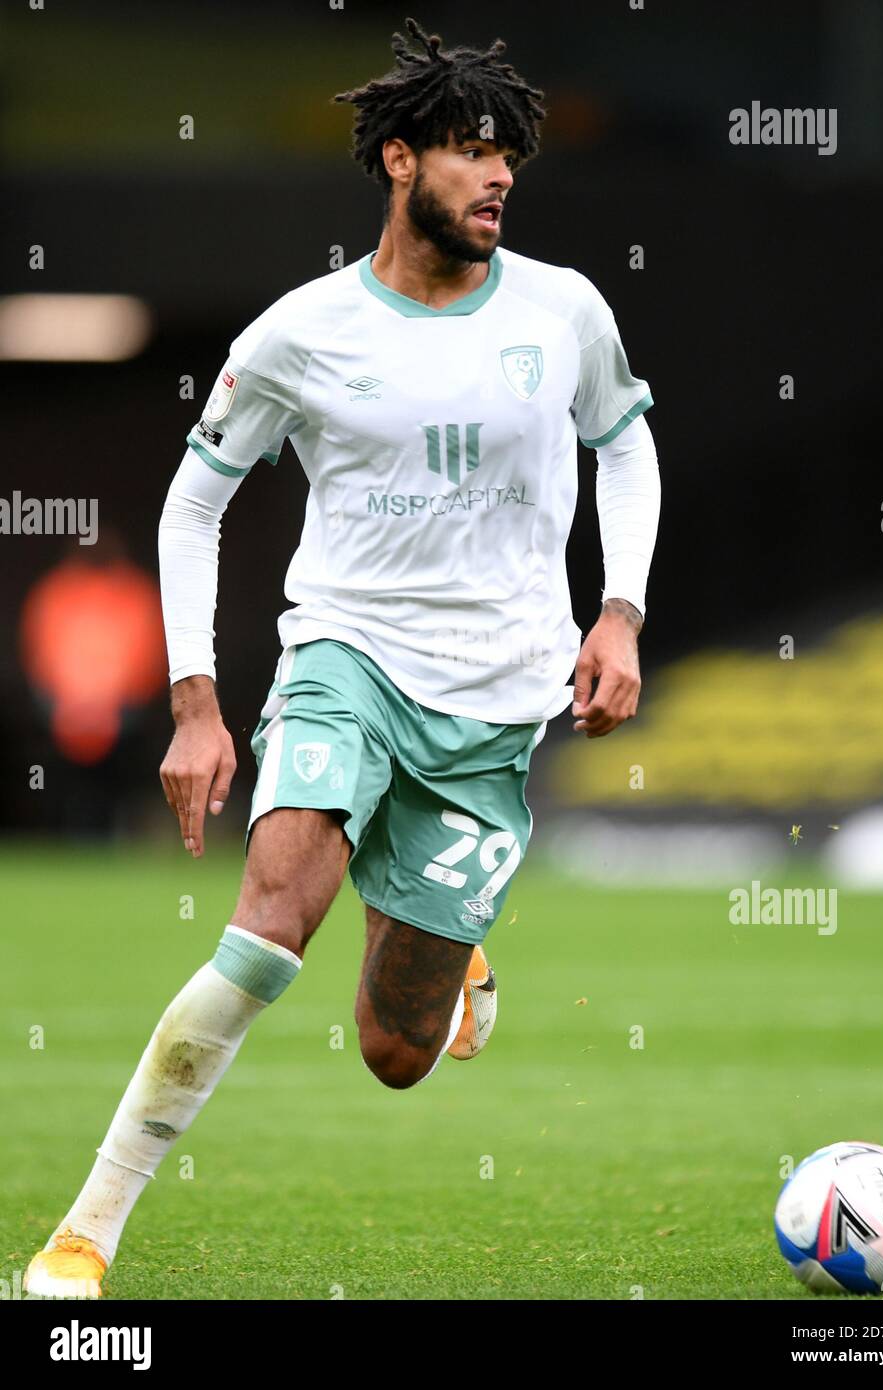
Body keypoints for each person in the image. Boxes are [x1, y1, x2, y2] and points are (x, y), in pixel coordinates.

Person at [25, 16, 660, 1299]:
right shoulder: (300, 334)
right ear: (397, 161)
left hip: (495, 705)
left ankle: (449, 941)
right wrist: (196, 703)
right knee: (266, 935)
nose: (498, 179)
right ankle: (84, 1233)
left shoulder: (565, 312)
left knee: (393, 1050)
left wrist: (620, 610)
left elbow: (626, 445)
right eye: (474, 152)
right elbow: (191, 502)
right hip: (346, 654)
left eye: (511, 160)